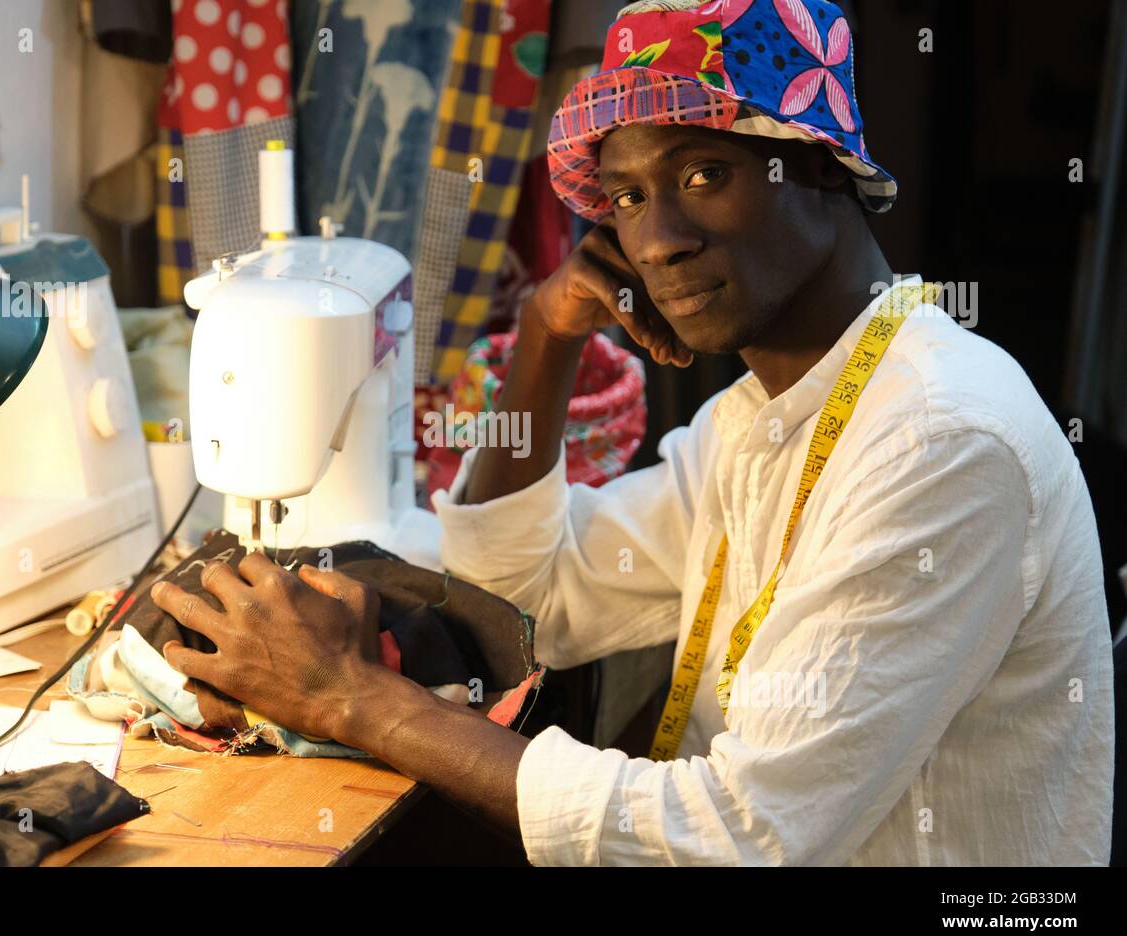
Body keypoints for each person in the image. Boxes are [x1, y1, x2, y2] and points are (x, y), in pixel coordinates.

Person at [150, 0, 1114, 865]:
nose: (657, 241)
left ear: (821, 165)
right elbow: (531, 596)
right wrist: (544, 336)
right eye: (625, 199)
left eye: (703, 172)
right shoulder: (764, 423)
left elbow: (742, 835)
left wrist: (346, 694)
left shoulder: (936, 442)